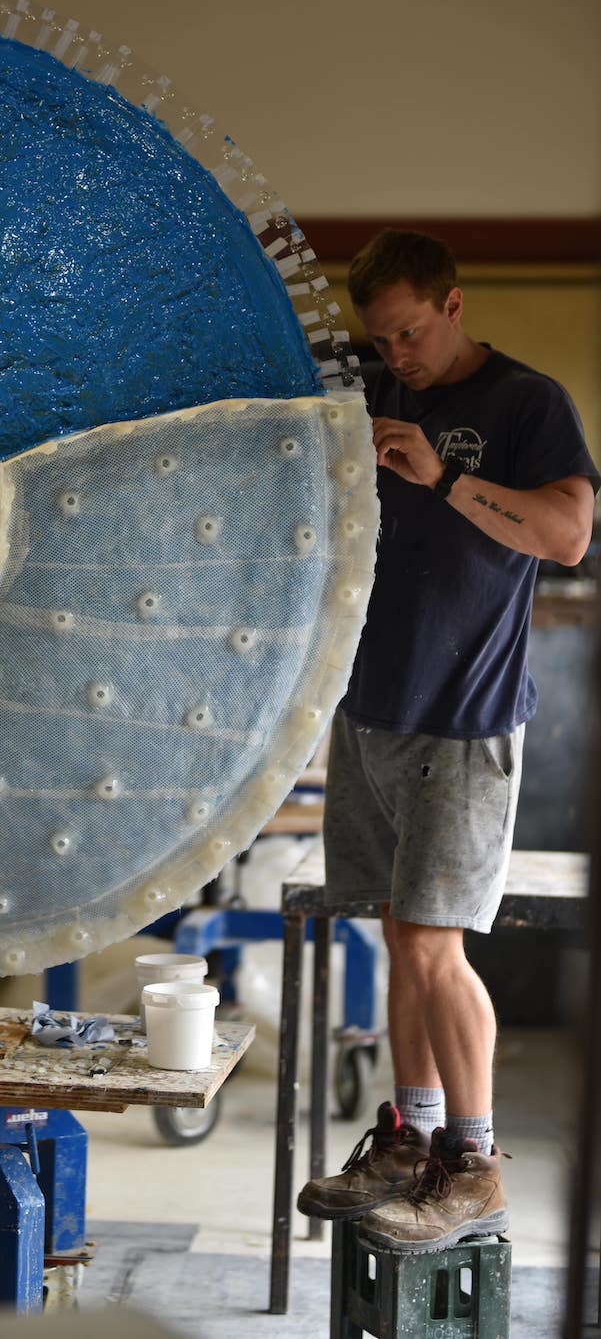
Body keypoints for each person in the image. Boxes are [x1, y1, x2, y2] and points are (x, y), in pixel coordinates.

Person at [297, 228, 597, 1252]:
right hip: (371, 709)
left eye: (411, 334)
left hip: (464, 718)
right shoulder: (385, 396)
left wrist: (441, 479)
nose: (399, 358)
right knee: (397, 936)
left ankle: (472, 1169)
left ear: (454, 303)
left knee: (433, 943)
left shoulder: (524, 404)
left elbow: (565, 536)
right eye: (381, 341)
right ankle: (409, 1139)